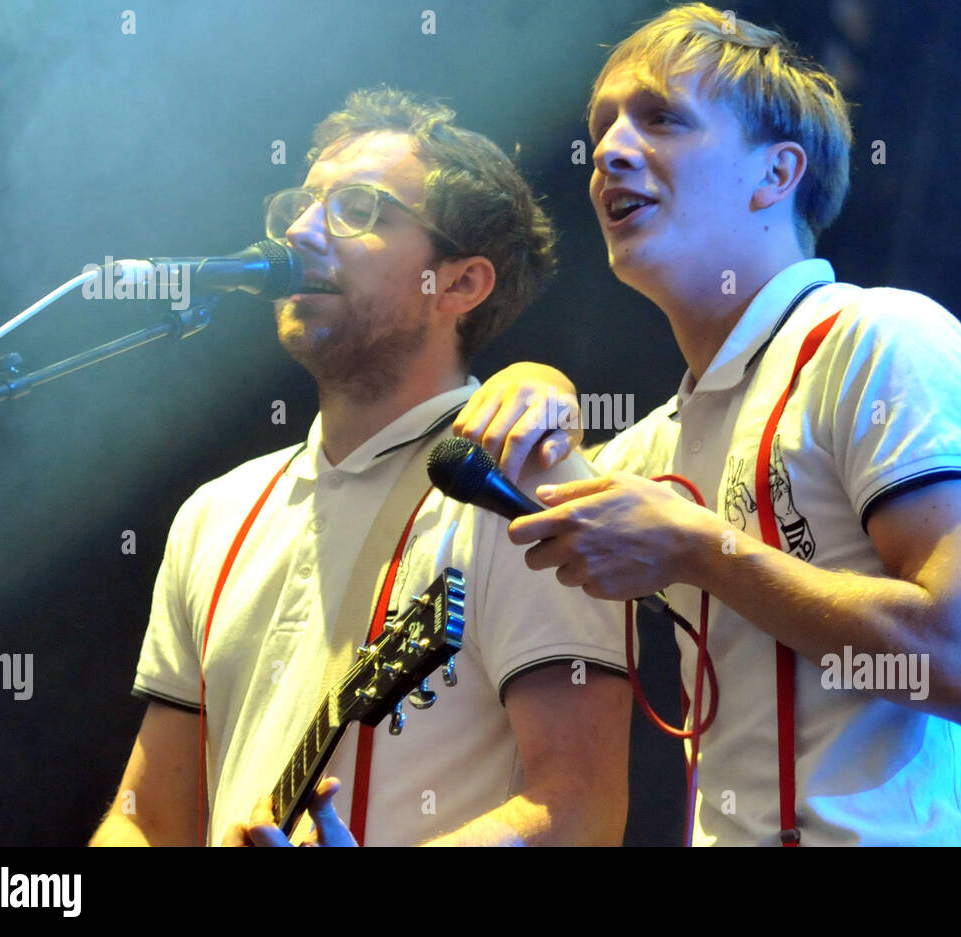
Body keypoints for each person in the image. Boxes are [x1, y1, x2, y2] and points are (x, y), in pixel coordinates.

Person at [455, 3, 961, 846]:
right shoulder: (662, 442)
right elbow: (517, 492)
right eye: (602, 124)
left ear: (775, 174)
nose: (608, 150)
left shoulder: (877, 339)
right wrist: (531, 380)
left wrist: (702, 549)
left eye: (660, 118)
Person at [88, 87, 631, 847]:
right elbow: (145, 814)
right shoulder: (215, 511)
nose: (306, 234)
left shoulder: (525, 484)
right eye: (304, 207)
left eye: (359, 212)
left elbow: (579, 809)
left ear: (462, 283)